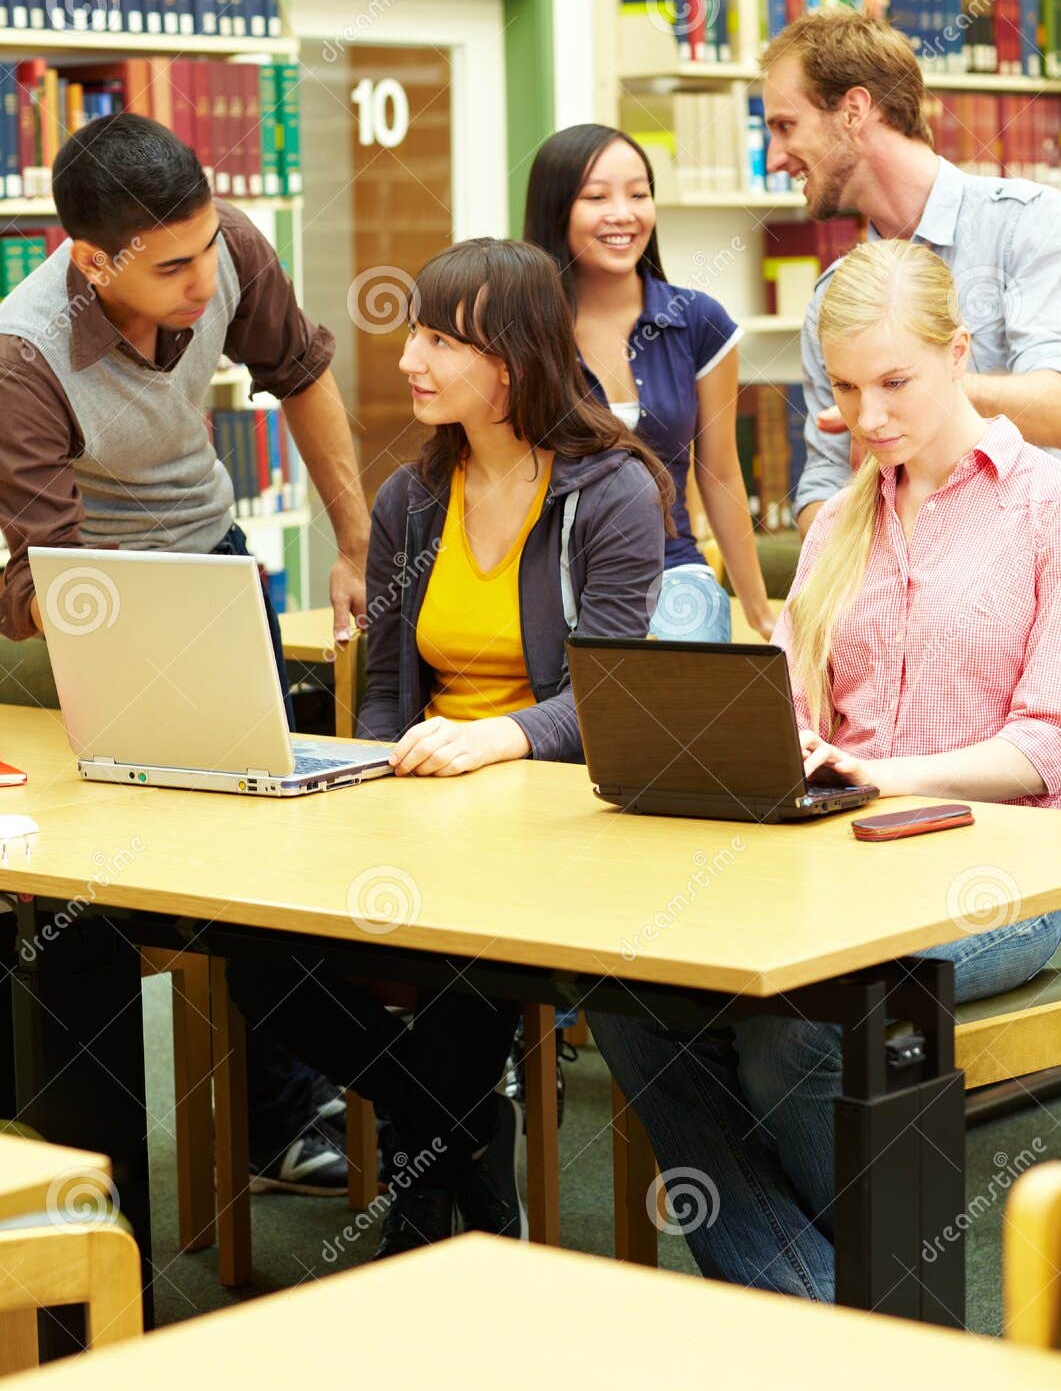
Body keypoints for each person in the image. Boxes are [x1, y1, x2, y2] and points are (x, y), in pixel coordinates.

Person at [589, 239, 1061, 1302]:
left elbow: (1045, 748)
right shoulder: (844, 517)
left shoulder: (1048, 506)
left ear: (957, 354)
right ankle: (840, 1303)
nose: (866, 413)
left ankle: (849, 1303)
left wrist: (876, 775)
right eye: (844, 387)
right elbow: (795, 700)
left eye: (893, 380)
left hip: (1014, 871)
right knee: (626, 987)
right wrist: (786, 750)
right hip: (839, 852)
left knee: (794, 1031)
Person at [233, 235, 671, 1257]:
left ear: (512, 359)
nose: (409, 361)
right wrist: (372, 782)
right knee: (254, 949)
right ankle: (462, 1123)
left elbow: (607, 698)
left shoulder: (612, 492)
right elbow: (386, 689)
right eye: (412, 334)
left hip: (558, 810)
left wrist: (497, 739)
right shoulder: (411, 499)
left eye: (436, 339)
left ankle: (425, 1201)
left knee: (456, 953)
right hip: (425, 800)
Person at [0, 113, 372, 1194]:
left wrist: (354, 541)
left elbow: (300, 375)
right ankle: (100, 1160)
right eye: (170, 266)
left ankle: (277, 1124)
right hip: (103, 606)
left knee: (265, 862)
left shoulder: (232, 249)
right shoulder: (24, 357)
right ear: (91, 259)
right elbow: (47, 578)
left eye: (207, 247)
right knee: (113, 878)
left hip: (216, 565)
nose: (203, 279)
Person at [761, 8, 1061, 537]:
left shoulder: (1028, 223)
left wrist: (919, 394)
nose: (774, 158)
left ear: (853, 110)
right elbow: (823, 482)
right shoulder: (832, 297)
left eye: (786, 126)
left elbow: (1060, 410)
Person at [524, 123, 773, 640]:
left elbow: (721, 473)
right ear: (556, 209)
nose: (624, 213)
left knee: (687, 680)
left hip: (672, 570)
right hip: (548, 578)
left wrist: (759, 610)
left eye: (639, 194)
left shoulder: (697, 321)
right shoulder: (523, 328)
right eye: (596, 197)